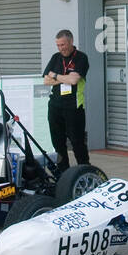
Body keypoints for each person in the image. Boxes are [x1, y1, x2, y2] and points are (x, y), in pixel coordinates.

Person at [41, 29, 90, 173]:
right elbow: (46, 80)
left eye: (63, 45)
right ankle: (63, 173)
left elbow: (74, 80)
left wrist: (55, 75)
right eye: (58, 45)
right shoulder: (56, 57)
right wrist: (64, 77)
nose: (61, 48)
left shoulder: (81, 58)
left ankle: (85, 169)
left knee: (77, 142)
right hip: (55, 106)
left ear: (71, 41)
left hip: (74, 107)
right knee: (58, 143)